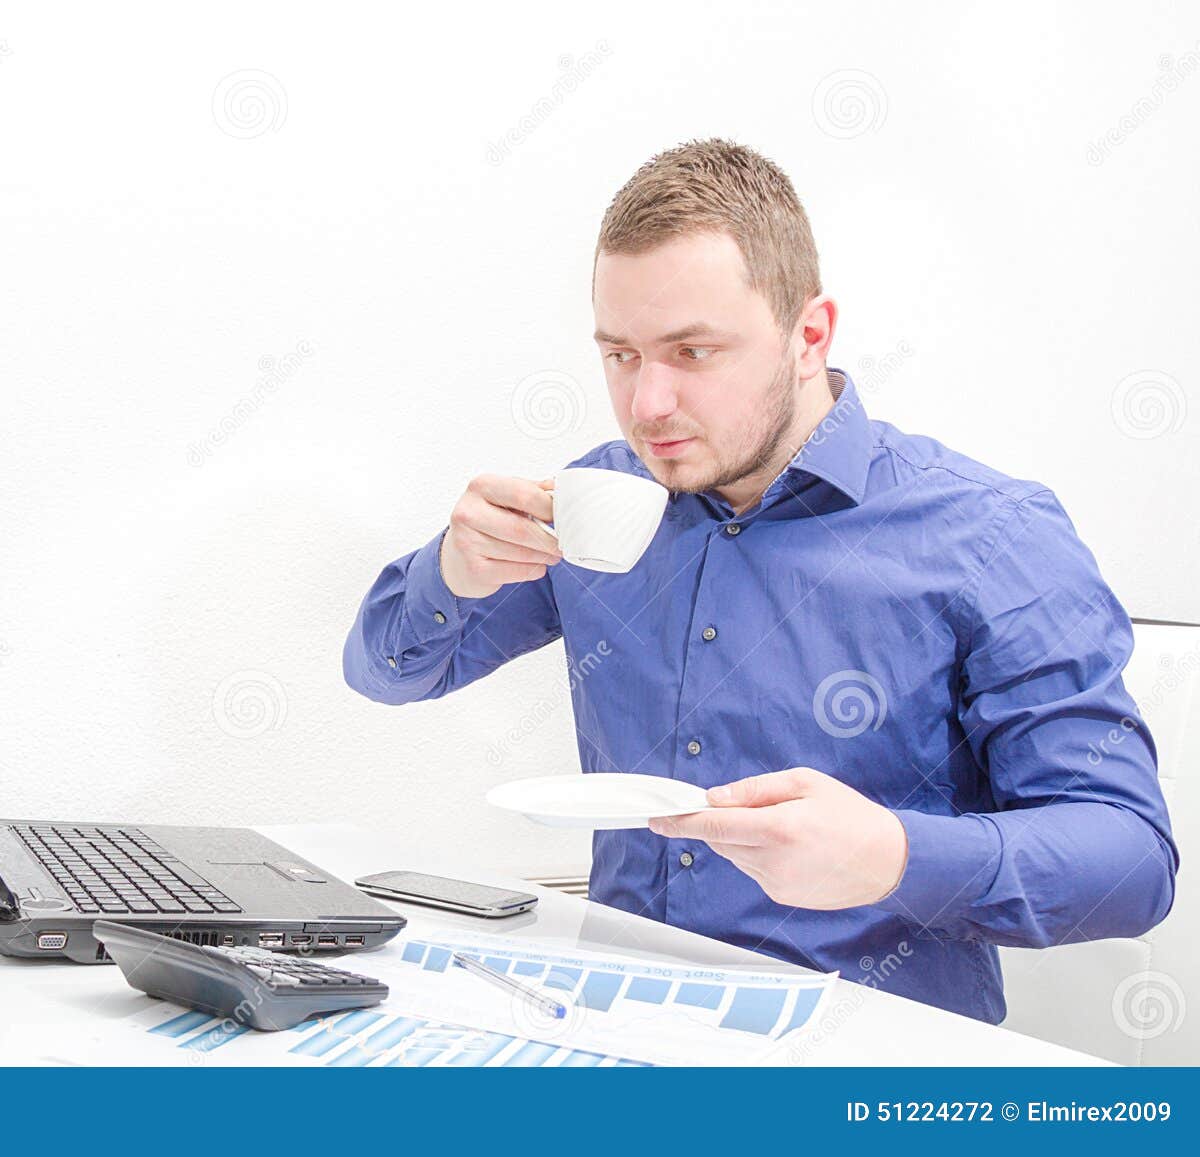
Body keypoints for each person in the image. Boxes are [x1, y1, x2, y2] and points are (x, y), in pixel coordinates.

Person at [341, 138, 1177, 1022]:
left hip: (866, 1062)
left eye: (692, 352)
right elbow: (390, 673)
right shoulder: (606, 500)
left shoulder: (993, 535)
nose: (647, 404)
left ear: (809, 334)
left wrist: (894, 854)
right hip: (617, 1032)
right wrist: (449, 570)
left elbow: (1129, 859)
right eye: (620, 354)